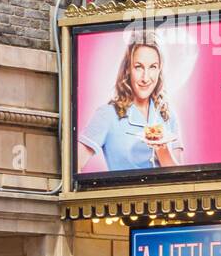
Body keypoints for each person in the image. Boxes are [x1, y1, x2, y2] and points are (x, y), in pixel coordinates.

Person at [77, 32, 184, 172]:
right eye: (138, 67)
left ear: (159, 70)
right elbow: (73, 165)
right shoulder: (108, 114)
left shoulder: (168, 116)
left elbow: (181, 179)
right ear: (128, 69)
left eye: (152, 67)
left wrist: (162, 149)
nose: (145, 78)